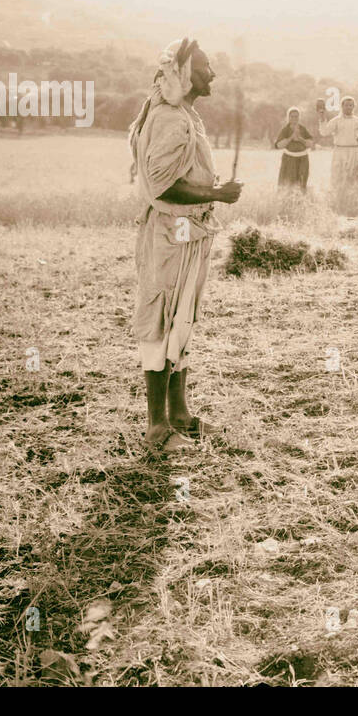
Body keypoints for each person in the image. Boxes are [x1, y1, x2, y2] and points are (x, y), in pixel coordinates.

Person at [128, 37, 242, 448]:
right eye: (206, 66)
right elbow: (164, 186)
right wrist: (217, 194)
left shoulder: (183, 115)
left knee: (182, 321)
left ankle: (180, 414)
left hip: (187, 233)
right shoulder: (171, 119)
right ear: (183, 74)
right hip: (171, 233)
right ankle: (157, 427)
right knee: (162, 321)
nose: (212, 73)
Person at [319, 95, 358, 186]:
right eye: (346, 105)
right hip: (339, 152)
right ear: (342, 106)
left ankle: (352, 199)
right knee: (338, 177)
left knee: (353, 177)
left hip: (354, 152)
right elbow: (324, 132)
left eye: (351, 105)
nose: (348, 107)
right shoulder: (336, 120)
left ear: (354, 107)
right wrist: (322, 119)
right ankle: (338, 198)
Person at [275, 106, 315, 189]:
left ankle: (300, 200)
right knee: (287, 183)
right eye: (292, 116)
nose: (294, 118)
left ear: (299, 117)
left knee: (301, 182)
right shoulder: (285, 130)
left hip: (302, 159)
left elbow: (311, 144)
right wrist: (290, 138)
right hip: (289, 159)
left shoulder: (303, 129)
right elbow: (278, 145)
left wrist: (300, 139)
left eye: (296, 116)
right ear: (288, 117)